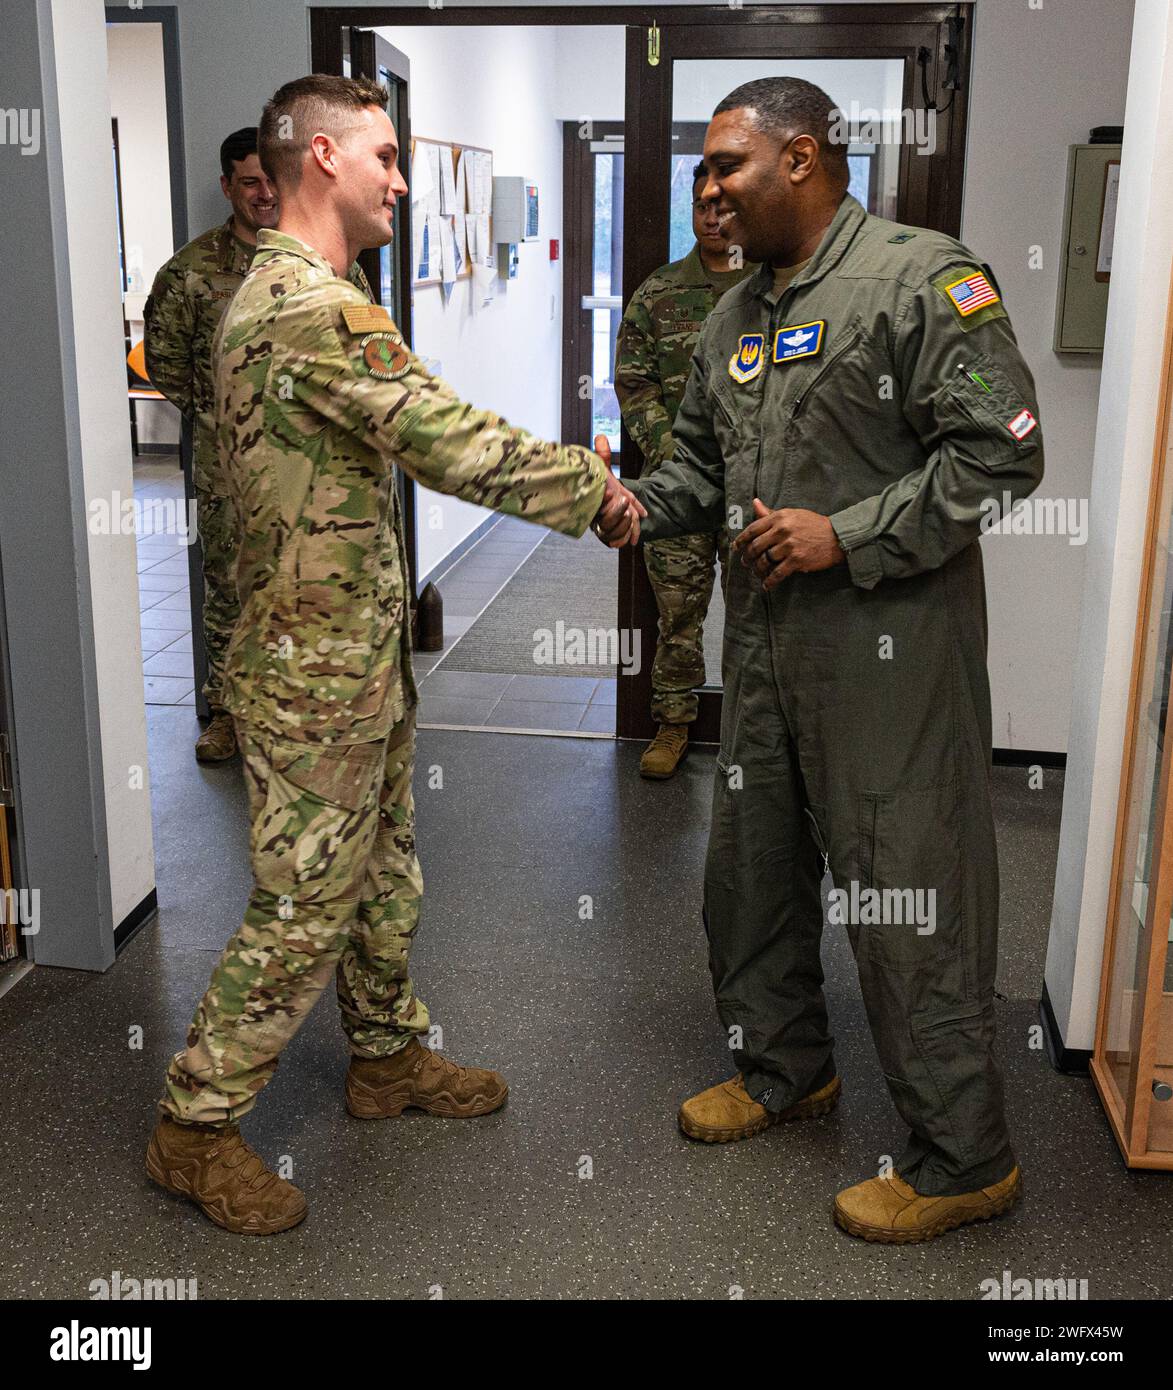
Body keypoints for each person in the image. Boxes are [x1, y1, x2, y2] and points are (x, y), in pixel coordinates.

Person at [145, 75, 644, 1235]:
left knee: (384, 871)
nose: (401, 180)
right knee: (305, 899)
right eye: (384, 156)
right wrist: (595, 493)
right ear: (321, 157)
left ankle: (384, 1060)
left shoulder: (319, 287)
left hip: (348, 648)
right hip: (309, 668)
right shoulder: (306, 305)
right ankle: (196, 1126)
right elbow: (448, 437)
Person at [597, 77, 1044, 1243]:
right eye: (704, 171)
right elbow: (698, 467)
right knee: (748, 878)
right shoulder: (733, 314)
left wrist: (843, 534)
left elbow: (1001, 454)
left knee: (909, 898)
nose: (709, 190)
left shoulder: (920, 275)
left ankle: (962, 1159)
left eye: (727, 166)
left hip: (889, 655)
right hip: (763, 650)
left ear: (801, 159)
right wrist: (633, 506)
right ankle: (787, 1068)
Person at [143, 127, 373, 763]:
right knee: (230, 586)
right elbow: (165, 363)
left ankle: (309, 710)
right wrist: (230, 415)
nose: (264, 195)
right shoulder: (190, 274)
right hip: (228, 466)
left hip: (318, 466)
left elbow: (362, 357)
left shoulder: (334, 267)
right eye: (250, 183)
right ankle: (228, 715)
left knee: (313, 582)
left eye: (272, 181)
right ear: (228, 187)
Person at [614, 163, 757, 779]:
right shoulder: (660, 292)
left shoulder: (772, 289)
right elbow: (633, 381)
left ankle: (755, 739)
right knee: (677, 612)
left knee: (758, 614)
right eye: (702, 206)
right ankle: (673, 724)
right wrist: (671, 454)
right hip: (679, 485)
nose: (713, 218)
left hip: (755, 490)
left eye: (724, 207)